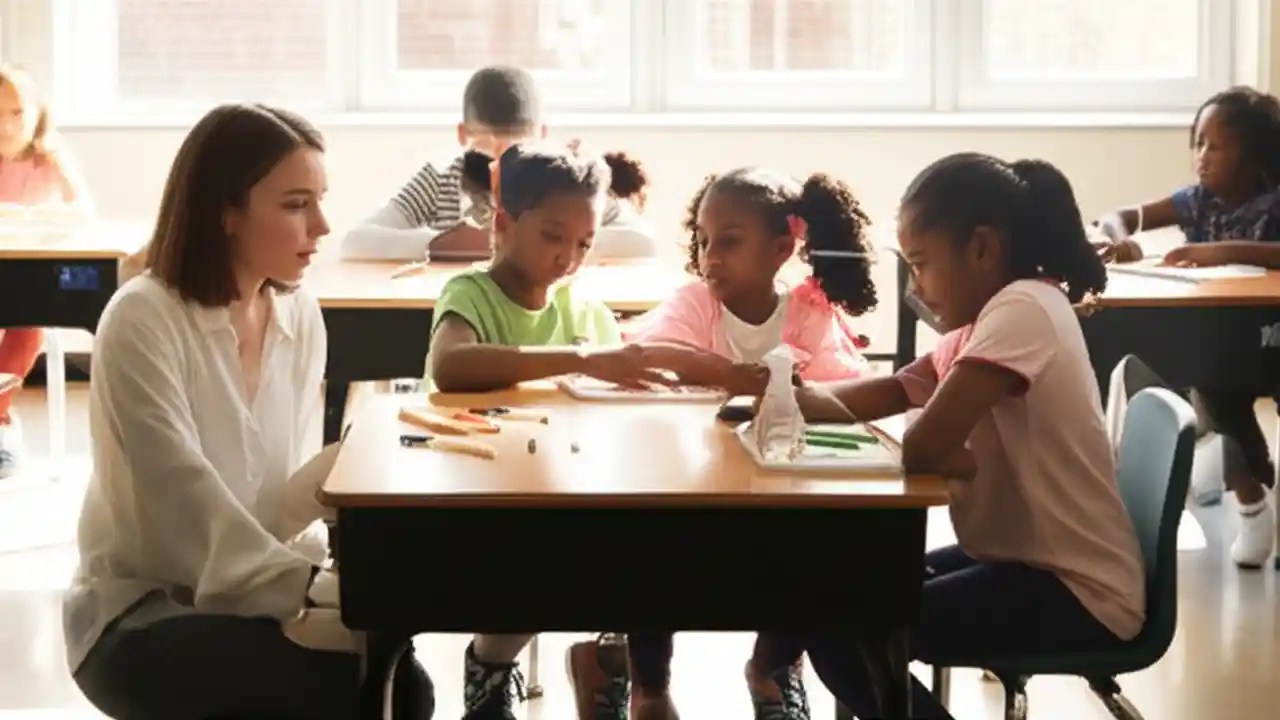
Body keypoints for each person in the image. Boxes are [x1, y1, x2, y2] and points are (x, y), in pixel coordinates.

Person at [64, 103, 433, 719]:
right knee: (354, 693)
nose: (321, 226)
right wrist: (314, 591)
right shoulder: (142, 319)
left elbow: (271, 507)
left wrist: (349, 468)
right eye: (295, 205)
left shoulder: (299, 315)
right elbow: (186, 511)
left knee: (405, 687)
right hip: (141, 613)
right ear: (225, 212)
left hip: (249, 594)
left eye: (320, 200)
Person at [776, 153, 1145, 719]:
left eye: (921, 264)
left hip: (1077, 591)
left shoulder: (1023, 307)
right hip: (1023, 561)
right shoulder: (987, 316)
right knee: (840, 599)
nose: (916, 285)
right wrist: (783, 399)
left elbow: (924, 446)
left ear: (981, 248)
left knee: (848, 630)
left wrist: (957, 457)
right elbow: (899, 389)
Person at [565, 167, 880, 720]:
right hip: (689, 484)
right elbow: (658, 356)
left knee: (809, 555)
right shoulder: (696, 302)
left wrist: (778, 388)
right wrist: (751, 379)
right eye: (705, 241)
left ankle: (771, 669)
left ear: (782, 248)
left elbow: (835, 394)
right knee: (649, 545)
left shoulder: (809, 311)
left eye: (730, 242)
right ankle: (651, 685)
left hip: (781, 486)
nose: (712, 257)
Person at [427, 142, 677, 719]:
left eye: (584, 243)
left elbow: (612, 385)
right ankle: (492, 662)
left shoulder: (582, 307)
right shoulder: (469, 294)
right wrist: (579, 360)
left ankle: (608, 662)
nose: (568, 256)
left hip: (564, 483)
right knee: (537, 557)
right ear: (504, 224)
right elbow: (452, 367)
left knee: (647, 539)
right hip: (481, 488)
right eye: (552, 236)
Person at [1094, 85, 1280, 567]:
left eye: (1216, 145)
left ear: (1256, 154)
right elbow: (1119, 216)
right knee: (1216, 398)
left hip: (1272, 333)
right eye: (1198, 143)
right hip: (1224, 339)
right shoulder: (1197, 201)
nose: (1202, 156)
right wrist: (1118, 238)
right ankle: (1253, 506)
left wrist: (1224, 250)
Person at [0, 64, 93, 478]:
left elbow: (84, 213)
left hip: (29, 275)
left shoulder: (50, 158)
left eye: (16, 112)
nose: (5, 124)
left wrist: (40, 219)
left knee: (28, 327)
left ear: (36, 112)